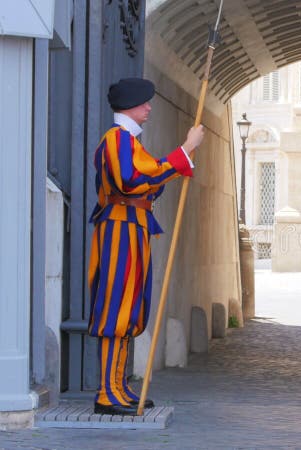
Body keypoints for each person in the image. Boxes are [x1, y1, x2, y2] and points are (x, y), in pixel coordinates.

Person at [87, 77, 204, 415]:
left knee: (131, 308)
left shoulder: (131, 143)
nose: (150, 108)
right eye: (144, 103)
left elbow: (149, 182)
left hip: (133, 228)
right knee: (116, 309)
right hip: (120, 229)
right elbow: (133, 180)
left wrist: (171, 166)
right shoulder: (117, 139)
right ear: (130, 106)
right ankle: (106, 394)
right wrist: (182, 152)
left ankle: (118, 386)